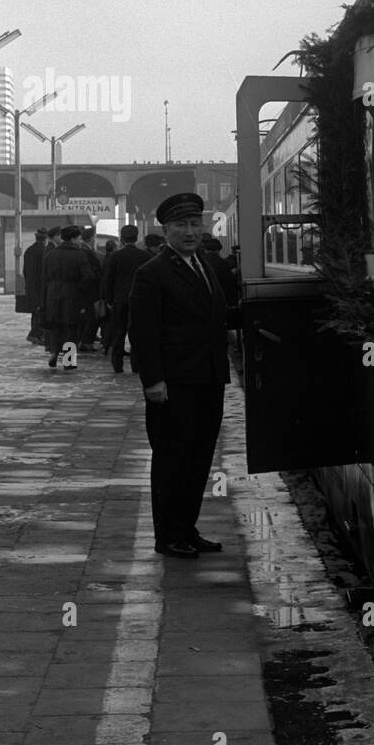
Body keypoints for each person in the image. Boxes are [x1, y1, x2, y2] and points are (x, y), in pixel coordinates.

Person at [129, 193, 238, 559]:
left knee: (198, 458)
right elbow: (142, 331)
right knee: (172, 460)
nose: (190, 232)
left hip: (207, 378)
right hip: (173, 384)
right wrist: (153, 381)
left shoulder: (203, 264)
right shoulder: (152, 274)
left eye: (195, 224)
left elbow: (214, 316)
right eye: (181, 226)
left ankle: (186, 528)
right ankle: (167, 536)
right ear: (166, 230)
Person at [42, 226, 98, 370]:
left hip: (53, 293)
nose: (80, 241)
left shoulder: (51, 254)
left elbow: (44, 276)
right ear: (73, 238)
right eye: (79, 238)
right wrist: (83, 293)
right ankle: (68, 360)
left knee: (56, 325)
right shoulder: (80, 255)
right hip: (72, 294)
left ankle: (54, 353)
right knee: (71, 327)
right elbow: (88, 277)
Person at [101, 225, 150, 374]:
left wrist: (108, 300)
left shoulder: (115, 257)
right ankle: (136, 365)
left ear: (122, 238)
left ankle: (117, 365)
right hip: (139, 300)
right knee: (137, 334)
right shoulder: (145, 256)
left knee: (118, 333)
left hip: (119, 300)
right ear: (137, 237)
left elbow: (108, 280)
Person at [21, 229, 48, 345]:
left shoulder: (28, 250)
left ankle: (36, 336)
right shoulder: (44, 251)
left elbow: (25, 270)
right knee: (41, 311)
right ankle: (34, 334)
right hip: (40, 286)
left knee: (34, 312)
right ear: (46, 239)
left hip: (30, 285)